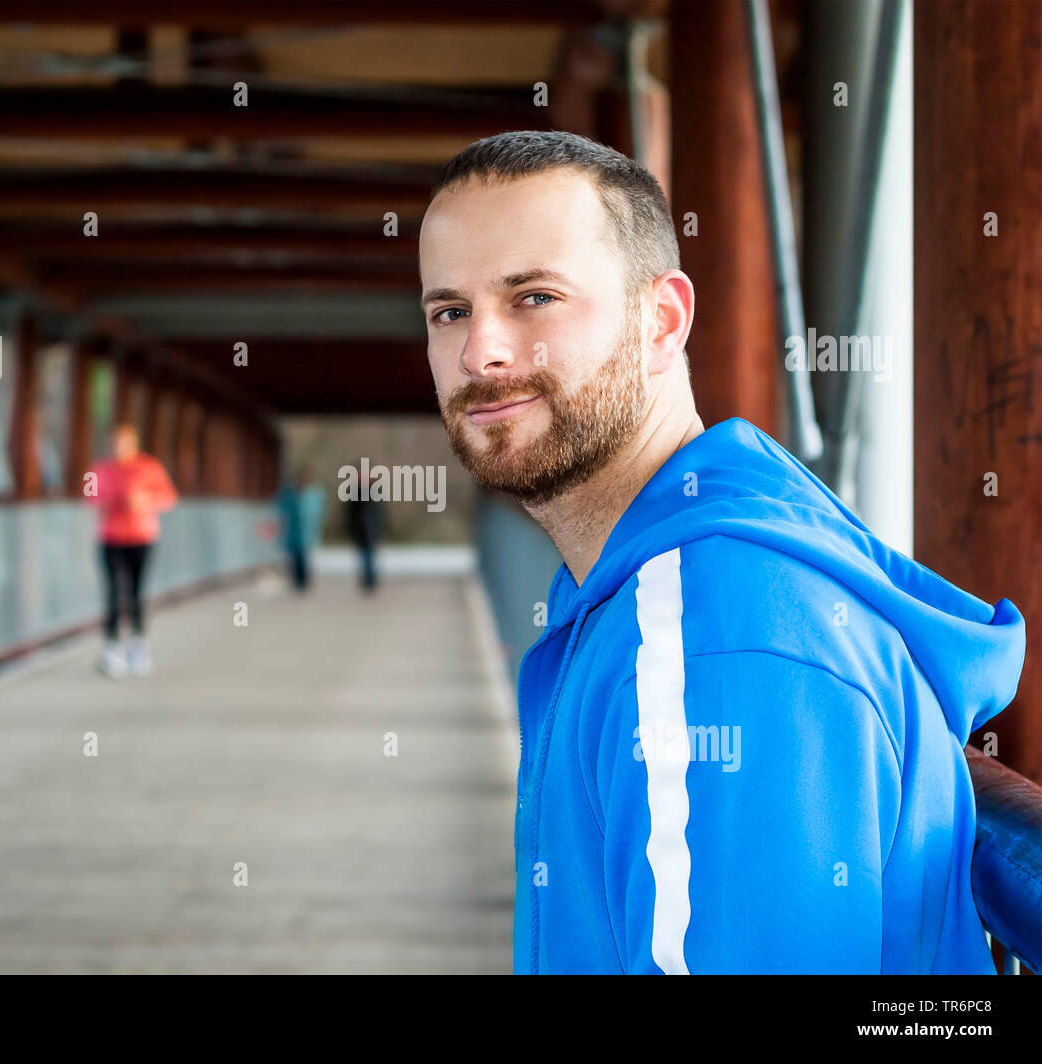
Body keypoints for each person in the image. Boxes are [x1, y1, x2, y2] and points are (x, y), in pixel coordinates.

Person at [418, 130, 1025, 974]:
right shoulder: (659, 589)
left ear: (661, 320)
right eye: (450, 311)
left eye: (534, 298)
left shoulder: (710, 636)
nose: (479, 350)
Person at [87, 422, 178, 678]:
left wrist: (145, 500)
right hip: (111, 537)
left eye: (123, 443)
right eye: (114, 444)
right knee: (114, 591)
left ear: (134, 444)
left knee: (137, 592)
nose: (118, 449)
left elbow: (169, 497)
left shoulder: (149, 467)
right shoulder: (100, 469)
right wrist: (107, 501)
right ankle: (112, 647)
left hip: (142, 536)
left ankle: (138, 646)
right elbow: (88, 496)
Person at [276, 465, 327, 591]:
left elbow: (319, 512)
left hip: (306, 533)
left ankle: (303, 580)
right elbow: (281, 509)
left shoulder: (313, 495)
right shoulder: (289, 495)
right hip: (293, 533)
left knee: (304, 556)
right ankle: (297, 580)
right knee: (295, 557)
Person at [344, 461, 384, 592]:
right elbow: (350, 512)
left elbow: (379, 512)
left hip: (371, 530)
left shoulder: (374, 490)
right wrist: (350, 528)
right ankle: (367, 581)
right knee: (363, 556)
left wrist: (380, 528)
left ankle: (371, 581)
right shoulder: (354, 491)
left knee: (370, 556)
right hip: (360, 530)